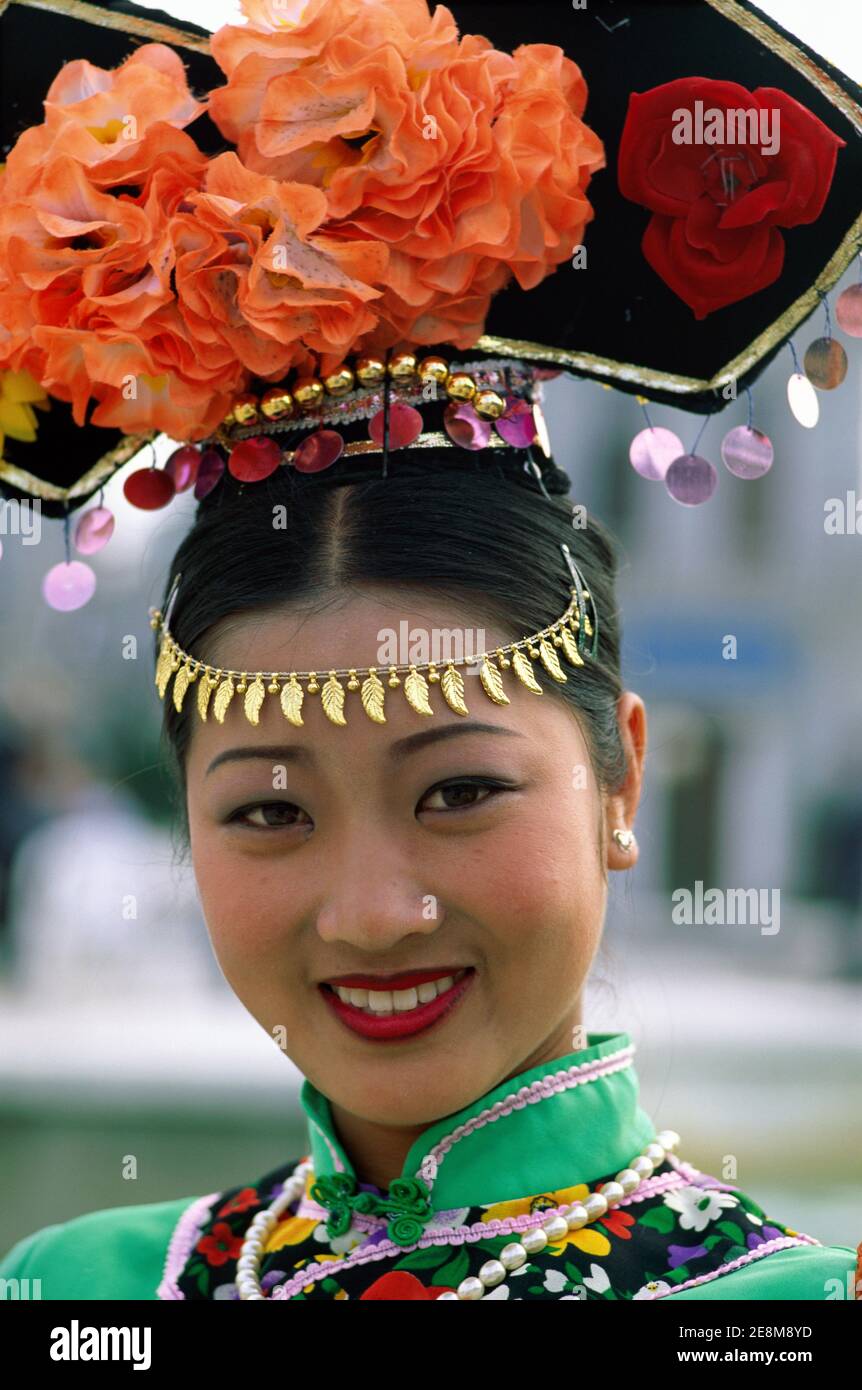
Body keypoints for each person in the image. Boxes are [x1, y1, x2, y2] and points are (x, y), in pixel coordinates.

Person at [1, 442, 859, 1301]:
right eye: (272, 811)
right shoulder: (77, 1287)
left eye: (460, 791)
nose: (375, 916)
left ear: (619, 785)